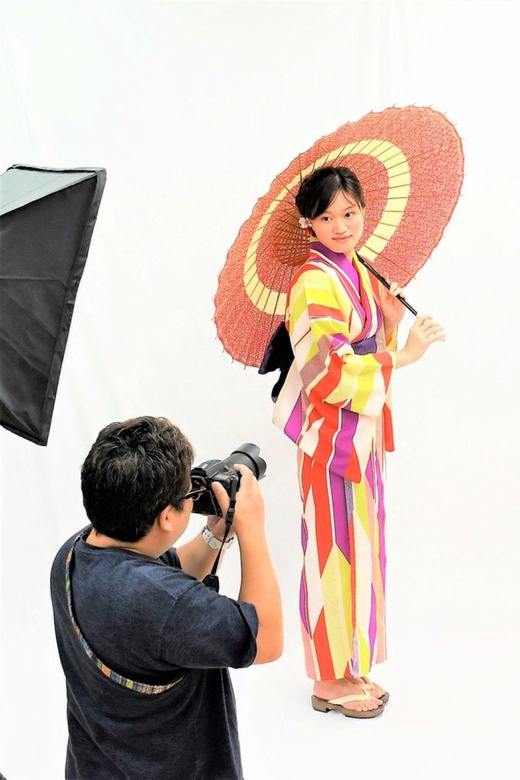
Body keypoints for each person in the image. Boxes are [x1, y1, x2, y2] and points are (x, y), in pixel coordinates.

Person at [272, 166, 445, 719]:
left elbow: (365, 344)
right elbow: (326, 374)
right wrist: (402, 354)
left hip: (360, 439)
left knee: (361, 550)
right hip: (330, 443)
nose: (341, 226)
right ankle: (328, 677)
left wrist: (390, 321)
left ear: (365, 211)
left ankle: (349, 664)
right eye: (327, 216)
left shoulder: (358, 272)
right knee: (330, 550)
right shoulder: (312, 280)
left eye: (350, 213)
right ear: (309, 223)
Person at [50, 416, 282, 779]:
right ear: (166, 518)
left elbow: (159, 577)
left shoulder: (73, 554)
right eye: (186, 495)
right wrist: (252, 530)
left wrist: (216, 534)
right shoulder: (168, 607)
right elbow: (265, 638)